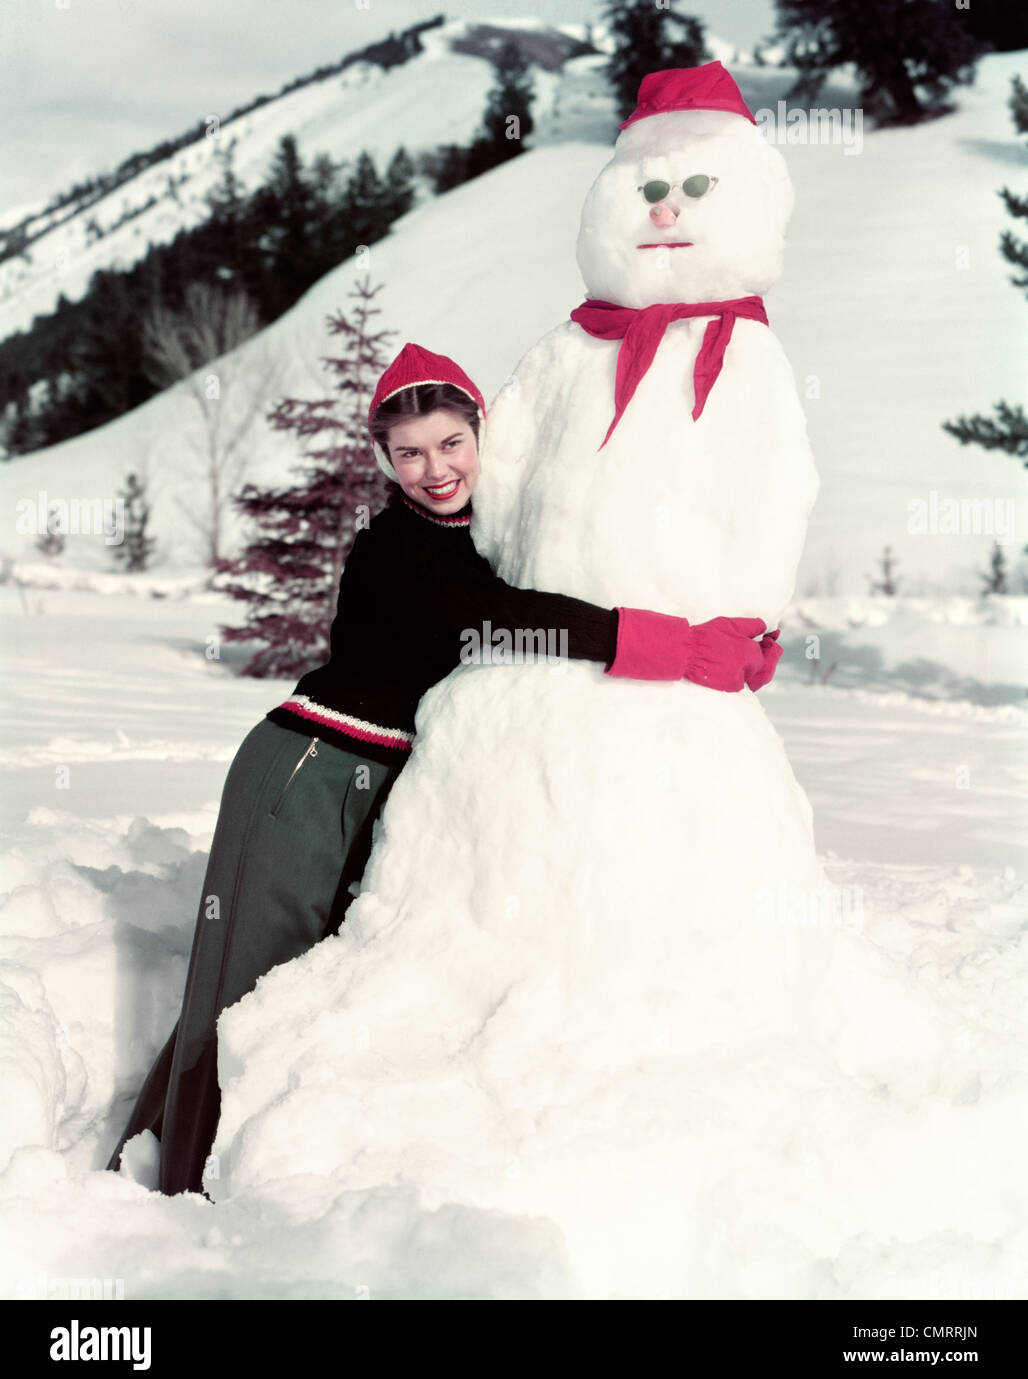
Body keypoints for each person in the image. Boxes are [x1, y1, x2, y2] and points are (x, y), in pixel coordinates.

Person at [105, 343, 781, 1198]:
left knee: (292, 993)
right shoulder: (396, 549)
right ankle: (164, 1190)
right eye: (410, 453)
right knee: (237, 990)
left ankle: (210, 1169)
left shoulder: (477, 536)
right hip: (303, 773)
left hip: (372, 784)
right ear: (385, 461)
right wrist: (682, 646)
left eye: (451, 444)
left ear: (478, 434)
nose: (435, 469)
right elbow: (511, 620)